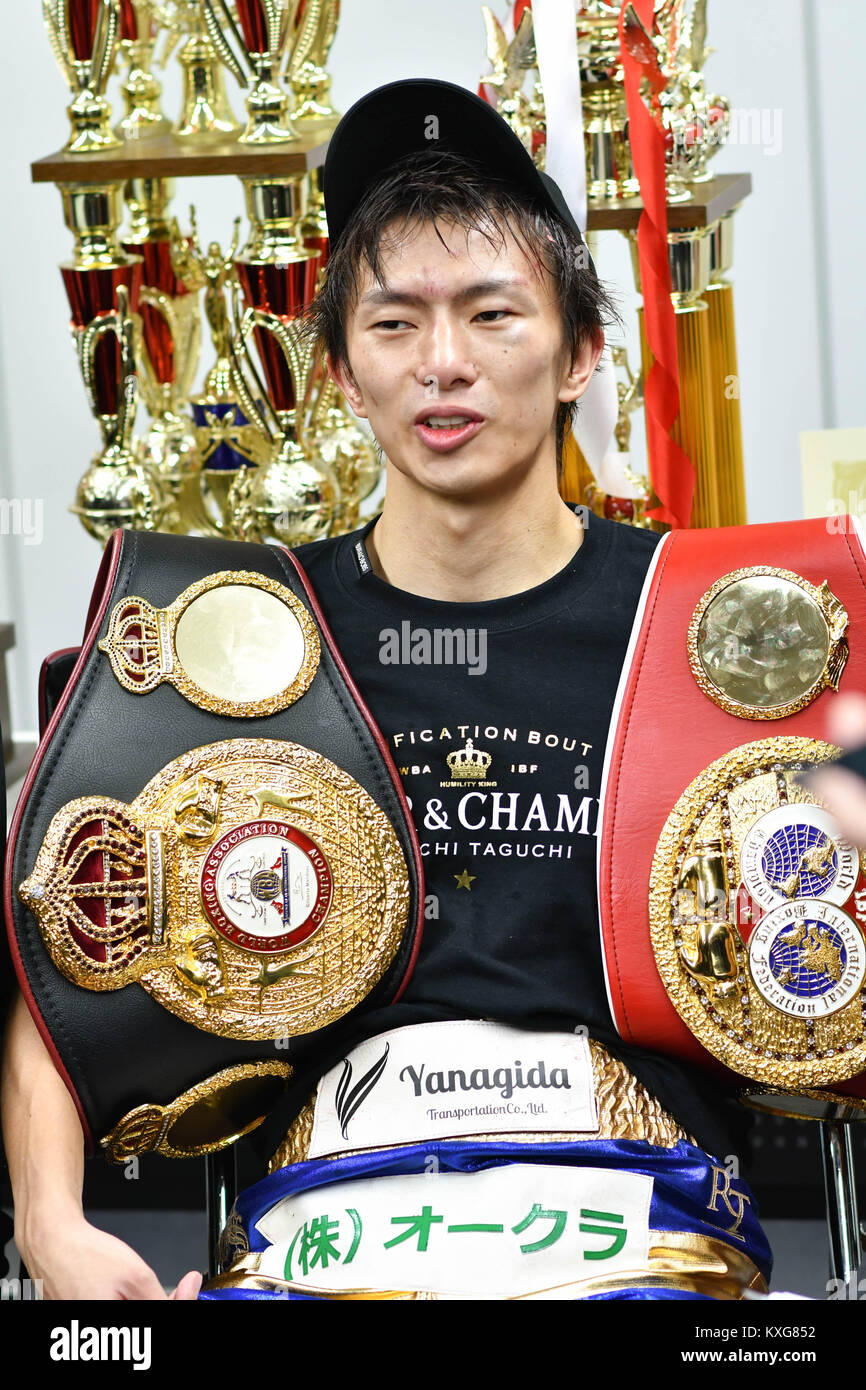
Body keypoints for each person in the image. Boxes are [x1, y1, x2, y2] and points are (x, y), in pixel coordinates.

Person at [1, 78, 770, 1301]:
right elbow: (68, 956)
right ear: (343, 376)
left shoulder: (703, 625)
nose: (444, 364)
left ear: (581, 351)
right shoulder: (235, 637)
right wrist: (53, 1224)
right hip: (327, 1229)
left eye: (490, 314)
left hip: (640, 1224)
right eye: (395, 324)